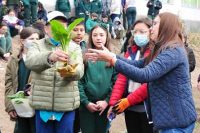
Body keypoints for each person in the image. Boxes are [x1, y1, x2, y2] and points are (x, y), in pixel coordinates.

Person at [86, 12, 197, 132]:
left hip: (176, 122)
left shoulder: (173, 51)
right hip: (169, 120)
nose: (151, 28)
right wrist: (112, 56)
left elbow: (145, 74)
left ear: (166, 26)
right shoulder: (162, 49)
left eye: (154, 24)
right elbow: (138, 64)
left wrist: (112, 60)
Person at [24, 11, 84, 133]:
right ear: (46, 28)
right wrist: (50, 56)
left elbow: (79, 72)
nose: (60, 29)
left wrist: (70, 71)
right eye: (55, 25)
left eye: (63, 26)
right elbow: (30, 62)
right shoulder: (37, 45)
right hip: (42, 105)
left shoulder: (74, 47)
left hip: (66, 105)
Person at [108, 17, 154, 133]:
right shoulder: (131, 51)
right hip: (130, 107)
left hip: (147, 108)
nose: (138, 35)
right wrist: (114, 103)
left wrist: (128, 101)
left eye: (142, 32)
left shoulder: (155, 53)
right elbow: (122, 79)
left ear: (151, 31)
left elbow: (149, 84)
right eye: (135, 32)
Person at [78, 25, 117, 133]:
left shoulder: (112, 58)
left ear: (107, 37)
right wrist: (86, 102)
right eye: (95, 35)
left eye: (101, 35)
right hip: (86, 106)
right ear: (91, 38)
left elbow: (116, 82)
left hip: (105, 106)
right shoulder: (84, 56)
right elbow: (79, 82)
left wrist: (107, 101)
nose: (98, 38)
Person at [5, 27, 40, 133]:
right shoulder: (14, 60)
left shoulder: (42, 59)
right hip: (20, 104)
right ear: (22, 40)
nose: (35, 42)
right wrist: (10, 106)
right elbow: (9, 83)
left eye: (37, 39)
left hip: (36, 104)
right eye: (31, 39)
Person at [67, 16, 86, 133]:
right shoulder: (64, 47)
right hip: (69, 94)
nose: (79, 33)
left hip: (84, 95)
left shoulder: (86, 47)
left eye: (81, 30)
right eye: (75, 30)